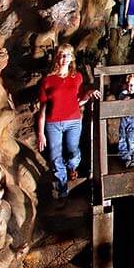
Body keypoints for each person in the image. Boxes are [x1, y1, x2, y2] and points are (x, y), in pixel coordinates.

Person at [37, 44, 100, 199]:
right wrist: (40, 133)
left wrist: (89, 93)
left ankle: (72, 167)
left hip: (73, 121)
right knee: (55, 156)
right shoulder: (47, 80)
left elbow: (79, 101)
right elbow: (43, 108)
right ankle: (62, 190)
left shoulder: (77, 77)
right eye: (62, 55)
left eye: (68, 55)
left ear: (72, 58)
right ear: (57, 57)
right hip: (53, 123)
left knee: (73, 152)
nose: (65, 58)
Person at [116, 74, 134, 168]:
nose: (131, 87)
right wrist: (124, 101)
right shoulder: (123, 94)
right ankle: (125, 156)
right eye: (129, 84)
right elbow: (119, 104)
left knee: (131, 136)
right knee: (122, 135)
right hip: (124, 118)